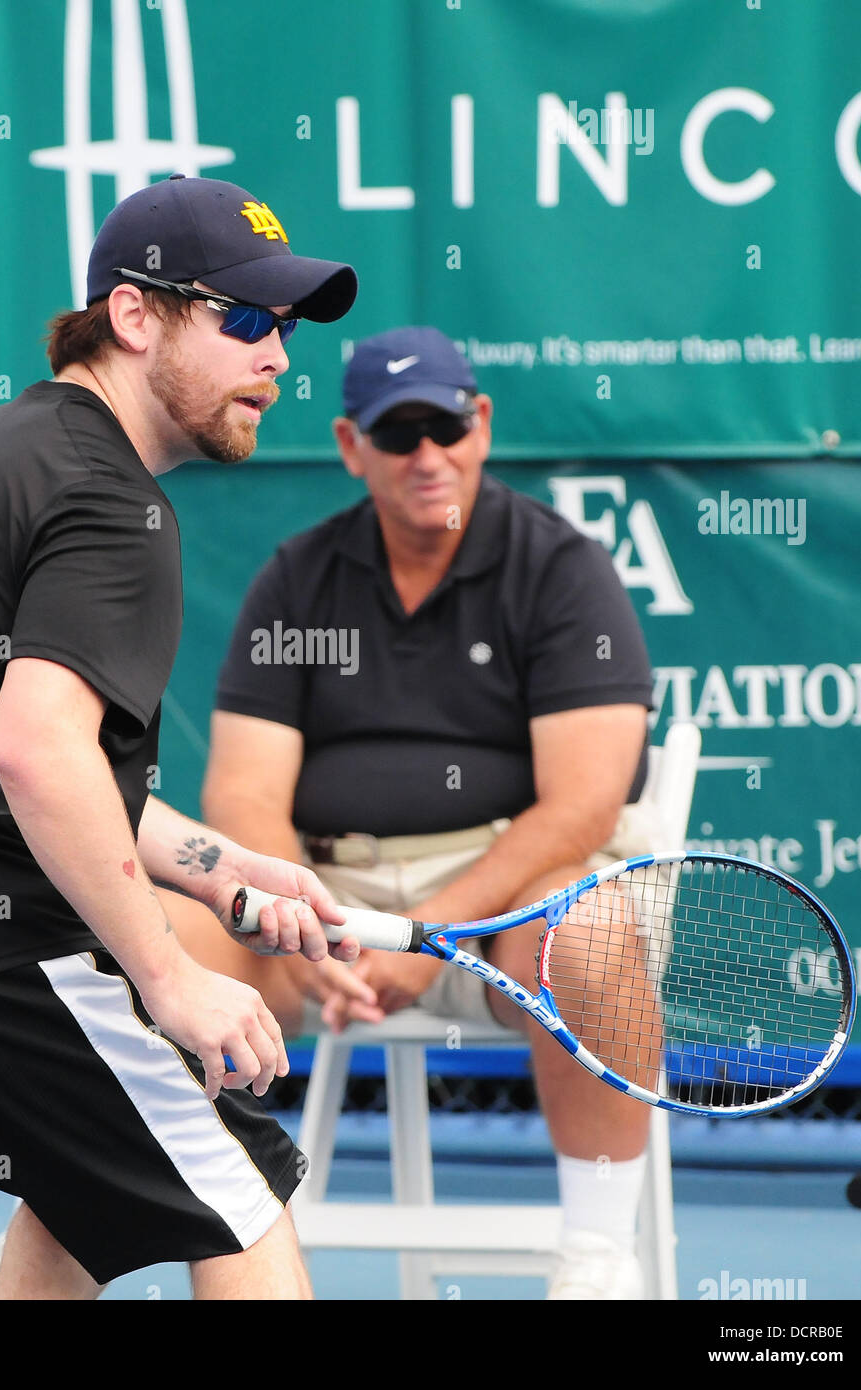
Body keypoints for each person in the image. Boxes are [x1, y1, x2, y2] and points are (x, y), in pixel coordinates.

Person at [0, 175, 363, 1301]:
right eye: (243, 319)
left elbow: (38, 768)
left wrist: (229, 872)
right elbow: (38, 755)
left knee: (96, 1173)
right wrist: (171, 973)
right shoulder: (109, 502)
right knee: (237, 1191)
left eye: (282, 327)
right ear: (136, 316)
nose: (278, 354)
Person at [177, 325, 659, 1299]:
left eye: (444, 425)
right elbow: (241, 797)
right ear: (353, 448)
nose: (426, 456)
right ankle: (75, 1238)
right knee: (156, 938)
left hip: (505, 895)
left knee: (593, 929)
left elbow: (579, 807)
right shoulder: (297, 576)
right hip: (320, 892)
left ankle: (599, 1257)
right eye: (398, 434)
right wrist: (309, 932)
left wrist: (420, 935)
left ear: (479, 425)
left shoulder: (563, 568)